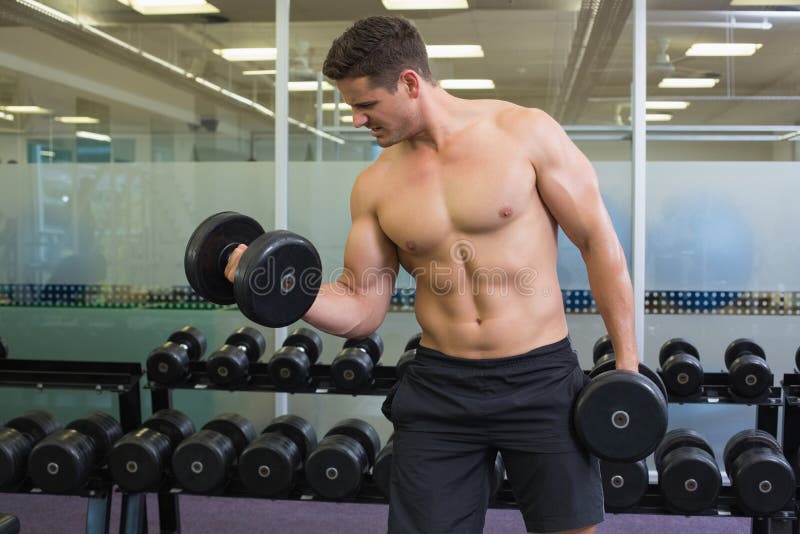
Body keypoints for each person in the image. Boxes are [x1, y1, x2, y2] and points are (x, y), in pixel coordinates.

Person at [225, 15, 638, 534]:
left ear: (410, 83)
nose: (356, 120)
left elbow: (597, 242)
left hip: (540, 378)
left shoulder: (525, 134)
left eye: (365, 105)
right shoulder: (375, 185)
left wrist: (626, 364)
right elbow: (361, 307)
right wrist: (277, 287)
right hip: (441, 387)